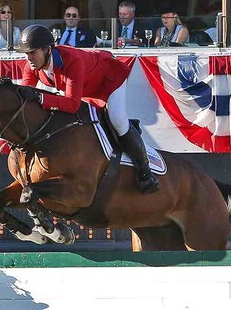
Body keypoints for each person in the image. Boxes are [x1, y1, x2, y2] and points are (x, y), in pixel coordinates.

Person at [16, 24, 159, 193]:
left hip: (109, 80)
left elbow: (72, 104)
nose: (29, 58)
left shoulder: (71, 60)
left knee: (117, 119)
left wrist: (41, 97)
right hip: (85, 87)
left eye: (32, 53)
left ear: (47, 49)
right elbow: (24, 96)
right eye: (26, 54)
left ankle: (145, 171)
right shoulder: (31, 66)